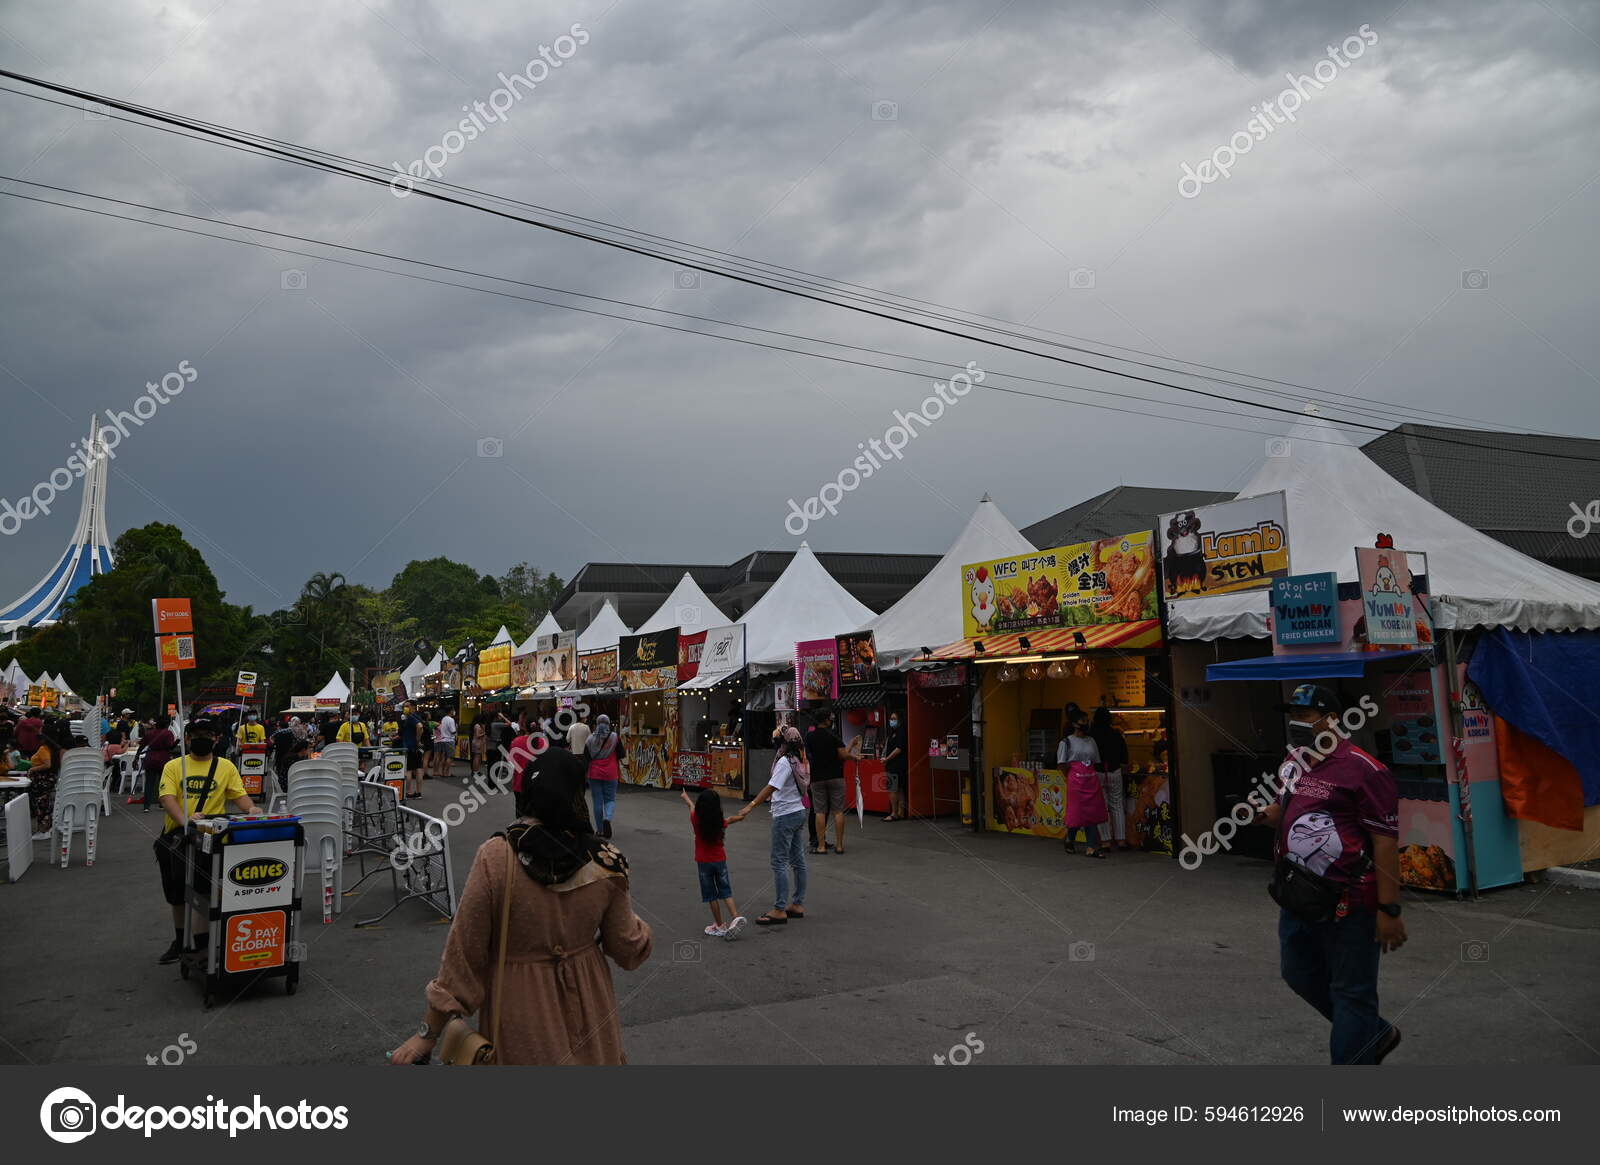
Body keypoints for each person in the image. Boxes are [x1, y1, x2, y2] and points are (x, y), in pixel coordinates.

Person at [388, 739, 652, 1065]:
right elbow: (628, 948)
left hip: (519, 1007)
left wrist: (427, 1034)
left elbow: (464, 951)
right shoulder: (606, 860)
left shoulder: (498, 857)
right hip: (589, 1004)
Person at [1257, 685, 1405, 1065]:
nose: (1296, 723)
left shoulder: (1365, 770)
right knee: (1298, 974)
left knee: (1352, 992)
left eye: (1305, 715)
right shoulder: (1295, 761)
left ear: (1333, 720)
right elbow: (1287, 805)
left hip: (1349, 902)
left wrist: (1389, 910)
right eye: (1292, 714)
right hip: (1297, 895)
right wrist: (1273, 814)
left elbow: (1385, 842)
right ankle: (1373, 1033)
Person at [154, 719, 256, 964]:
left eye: (208, 735)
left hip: (210, 839)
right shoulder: (174, 766)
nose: (202, 738)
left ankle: (202, 944)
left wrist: (253, 810)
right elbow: (167, 798)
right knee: (177, 895)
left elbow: (240, 798)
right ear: (187, 739)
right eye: (196, 734)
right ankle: (180, 941)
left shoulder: (226, 767)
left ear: (217, 739)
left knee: (206, 892)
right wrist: (185, 820)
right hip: (177, 838)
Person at [729, 724, 808, 925]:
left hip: (785, 815)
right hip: (798, 811)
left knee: (779, 862)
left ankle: (780, 909)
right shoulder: (801, 759)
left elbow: (773, 786)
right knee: (798, 861)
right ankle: (797, 904)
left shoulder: (785, 761)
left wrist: (751, 805)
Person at [680, 786, 746, 939]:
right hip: (720, 860)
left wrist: (685, 797)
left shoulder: (695, 818)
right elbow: (730, 819)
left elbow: (692, 807)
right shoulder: (718, 821)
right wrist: (742, 816)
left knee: (711, 895)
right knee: (725, 891)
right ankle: (736, 917)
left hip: (703, 862)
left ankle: (719, 925)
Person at [1060, 714, 1108, 857]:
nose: (1086, 723)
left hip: (1091, 781)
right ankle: (1070, 838)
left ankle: (1091, 846)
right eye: (1083, 721)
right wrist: (1071, 777)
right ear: (1074, 724)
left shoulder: (1091, 741)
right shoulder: (1066, 742)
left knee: (1091, 812)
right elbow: (1061, 764)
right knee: (1077, 812)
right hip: (1075, 782)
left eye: (1087, 721)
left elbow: (1096, 760)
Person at [805, 708, 850, 854]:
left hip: (817, 777)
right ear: (825, 720)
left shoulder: (810, 736)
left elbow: (806, 756)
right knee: (838, 811)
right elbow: (843, 755)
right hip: (836, 776)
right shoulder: (834, 735)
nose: (831, 720)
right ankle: (839, 845)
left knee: (820, 811)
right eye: (830, 718)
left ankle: (821, 846)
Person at [1090, 706, 1131, 850]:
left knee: (1102, 806)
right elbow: (1124, 757)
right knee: (1117, 805)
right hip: (1114, 771)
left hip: (1097, 772)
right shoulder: (1116, 734)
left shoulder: (1091, 735)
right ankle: (1121, 840)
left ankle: (1106, 841)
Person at [583, 714, 623, 838]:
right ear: (608, 723)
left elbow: (586, 758)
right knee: (610, 799)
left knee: (597, 802)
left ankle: (600, 830)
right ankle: (607, 818)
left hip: (594, 774)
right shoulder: (615, 737)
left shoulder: (589, 740)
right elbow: (621, 754)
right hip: (611, 773)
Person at [25, 718, 66, 839]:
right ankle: (47, 828)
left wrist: (32, 769)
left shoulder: (44, 749)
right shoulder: (56, 749)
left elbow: (47, 764)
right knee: (45, 804)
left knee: (41, 804)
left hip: (42, 779)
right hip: (49, 778)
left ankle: (43, 830)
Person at [141, 714, 177, 815]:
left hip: (150, 758)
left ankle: (146, 806)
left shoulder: (149, 733)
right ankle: (162, 804)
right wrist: (177, 741)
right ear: (166, 724)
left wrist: (136, 758)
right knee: (163, 783)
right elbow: (170, 747)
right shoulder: (168, 733)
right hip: (163, 759)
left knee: (149, 783)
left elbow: (142, 745)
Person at [880, 710, 908, 821]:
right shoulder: (893, 732)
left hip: (896, 764)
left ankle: (894, 813)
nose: (891, 721)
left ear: (900, 720)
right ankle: (901, 812)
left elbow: (898, 749)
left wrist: (887, 758)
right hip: (895, 764)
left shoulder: (901, 732)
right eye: (891, 719)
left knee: (892, 789)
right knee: (899, 789)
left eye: (894, 719)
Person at [400, 702, 426, 799]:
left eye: (407, 706)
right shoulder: (415, 716)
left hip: (410, 747)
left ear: (413, 707)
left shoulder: (411, 717)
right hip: (415, 747)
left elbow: (420, 727)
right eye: (404, 706)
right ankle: (418, 792)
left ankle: (408, 792)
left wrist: (417, 740)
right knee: (418, 768)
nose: (405, 708)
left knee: (409, 770)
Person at [433, 709, 458, 778]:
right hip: (449, 740)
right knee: (450, 757)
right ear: (450, 711)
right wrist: (455, 732)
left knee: (442, 757)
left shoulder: (443, 720)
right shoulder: (450, 720)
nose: (454, 712)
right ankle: (447, 772)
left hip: (442, 740)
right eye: (453, 710)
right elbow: (453, 731)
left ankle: (441, 771)